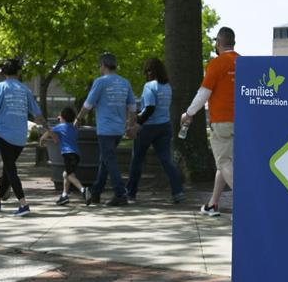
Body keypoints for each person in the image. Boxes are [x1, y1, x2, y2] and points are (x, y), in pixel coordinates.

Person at [180, 27, 239, 217]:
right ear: (233, 42)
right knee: (225, 163)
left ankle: (247, 201)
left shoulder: (216, 64)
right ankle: (212, 204)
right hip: (242, 121)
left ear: (218, 43)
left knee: (224, 163)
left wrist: (189, 113)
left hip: (221, 121)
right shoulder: (244, 62)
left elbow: (204, 93)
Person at [0, 58, 47, 216]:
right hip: (20, 137)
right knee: (8, 169)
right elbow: (37, 115)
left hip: (3, 134)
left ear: (3, 72)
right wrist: (48, 129)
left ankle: (23, 204)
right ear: (19, 72)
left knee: (11, 169)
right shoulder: (25, 90)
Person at [75, 53, 136, 207]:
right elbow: (133, 108)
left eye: (99, 66)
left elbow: (88, 105)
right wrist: (130, 125)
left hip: (105, 129)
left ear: (103, 65)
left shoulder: (100, 82)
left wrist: (78, 118)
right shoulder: (125, 83)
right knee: (105, 160)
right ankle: (96, 193)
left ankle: (120, 193)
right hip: (118, 129)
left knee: (109, 160)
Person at [126, 58, 184, 204]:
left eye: (146, 70)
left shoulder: (149, 86)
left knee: (137, 160)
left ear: (149, 71)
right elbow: (156, 108)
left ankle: (130, 193)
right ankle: (178, 192)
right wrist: (141, 112)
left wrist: (137, 124)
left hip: (148, 128)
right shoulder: (167, 87)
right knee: (166, 160)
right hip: (165, 126)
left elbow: (150, 108)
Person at [40, 106, 86, 205]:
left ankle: (83, 190)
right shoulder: (74, 128)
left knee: (69, 175)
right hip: (76, 155)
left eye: (59, 117)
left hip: (68, 155)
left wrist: (41, 140)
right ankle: (64, 196)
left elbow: (48, 132)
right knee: (66, 174)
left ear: (63, 118)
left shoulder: (60, 127)